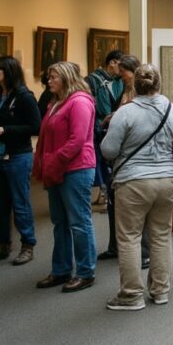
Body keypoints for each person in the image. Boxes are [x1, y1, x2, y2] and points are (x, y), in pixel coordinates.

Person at [100, 64, 173, 310]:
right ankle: (160, 291)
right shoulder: (171, 108)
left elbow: (108, 150)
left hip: (133, 181)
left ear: (134, 85)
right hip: (166, 180)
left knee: (129, 238)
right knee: (160, 236)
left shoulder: (125, 113)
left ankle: (131, 295)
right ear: (159, 84)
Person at [32, 62, 98, 293]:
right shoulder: (55, 103)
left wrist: (53, 160)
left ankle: (85, 271)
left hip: (76, 168)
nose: (49, 81)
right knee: (59, 222)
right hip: (57, 168)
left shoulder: (79, 101)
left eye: (53, 77)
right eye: (48, 76)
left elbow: (77, 140)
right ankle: (61, 269)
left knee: (79, 222)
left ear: (67, 78)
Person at [0, 56, 41, 265]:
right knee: (1, 205)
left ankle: (27, 245)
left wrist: (6, 129)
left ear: (8, 72)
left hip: (17, 156)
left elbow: (36, 127)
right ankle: (2, 245)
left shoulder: (25, 97)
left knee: (20, 203)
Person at [97, 55, 151, 266]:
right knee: (113, 202)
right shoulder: (123, 88)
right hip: (120, 155)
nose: (119, 75)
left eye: (123, 72)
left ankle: (143, 252)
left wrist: (118, 117)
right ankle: (115, 246)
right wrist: (114, 116)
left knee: (137, 208)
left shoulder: (140, 93)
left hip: (133, 156)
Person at [87, 51, 124, 207]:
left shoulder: (119, 81)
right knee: (99, 159)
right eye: (120, 65)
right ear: (112, 63)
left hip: (113, 125)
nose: (122, 70)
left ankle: (108, 193)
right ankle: (102, 193)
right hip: (98, 126)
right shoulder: (92, 80)